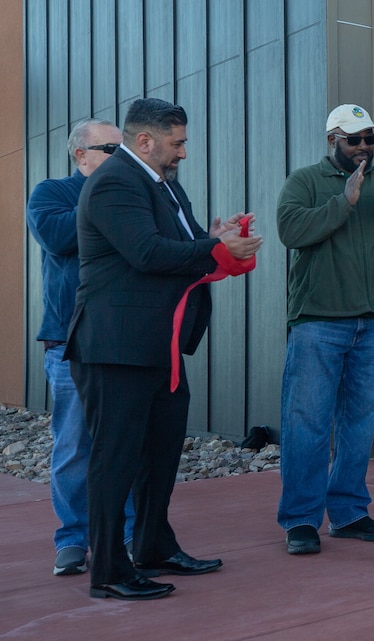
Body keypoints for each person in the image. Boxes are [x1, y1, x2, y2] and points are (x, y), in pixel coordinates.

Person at [66, 98, 263, 600]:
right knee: (116, 460)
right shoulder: (112, 182)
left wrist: (214, 238)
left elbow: (189, 245)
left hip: (162, 347)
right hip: (115, 348)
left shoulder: (165, 185)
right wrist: (214, 249)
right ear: (146, 141)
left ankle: (152, 546)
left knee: (159, 453)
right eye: (177, 143)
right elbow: (149, 252)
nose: (183, 153)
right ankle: (108, 570)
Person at [276, 104, 374, 555]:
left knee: (360, 424)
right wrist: (344, 202)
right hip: (319, 320)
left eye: (370, 139)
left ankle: (349, 513)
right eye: (353, 139)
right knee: (307, 423)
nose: (363, 147)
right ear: (332, 140)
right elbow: (291, 230)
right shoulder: (304, 181)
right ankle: (301, 520)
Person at [26, 118, 135, 576]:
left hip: (122, 342)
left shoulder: (134, 194)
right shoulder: (51, 193)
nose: (121, 156)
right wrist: (108, 204)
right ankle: (73, 537)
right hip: (69, 344)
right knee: (74, 445)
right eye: (111, 148)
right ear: (81, 155)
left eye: (124, 148)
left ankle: (126, 537)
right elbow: (57, 237)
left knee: (122, 444)